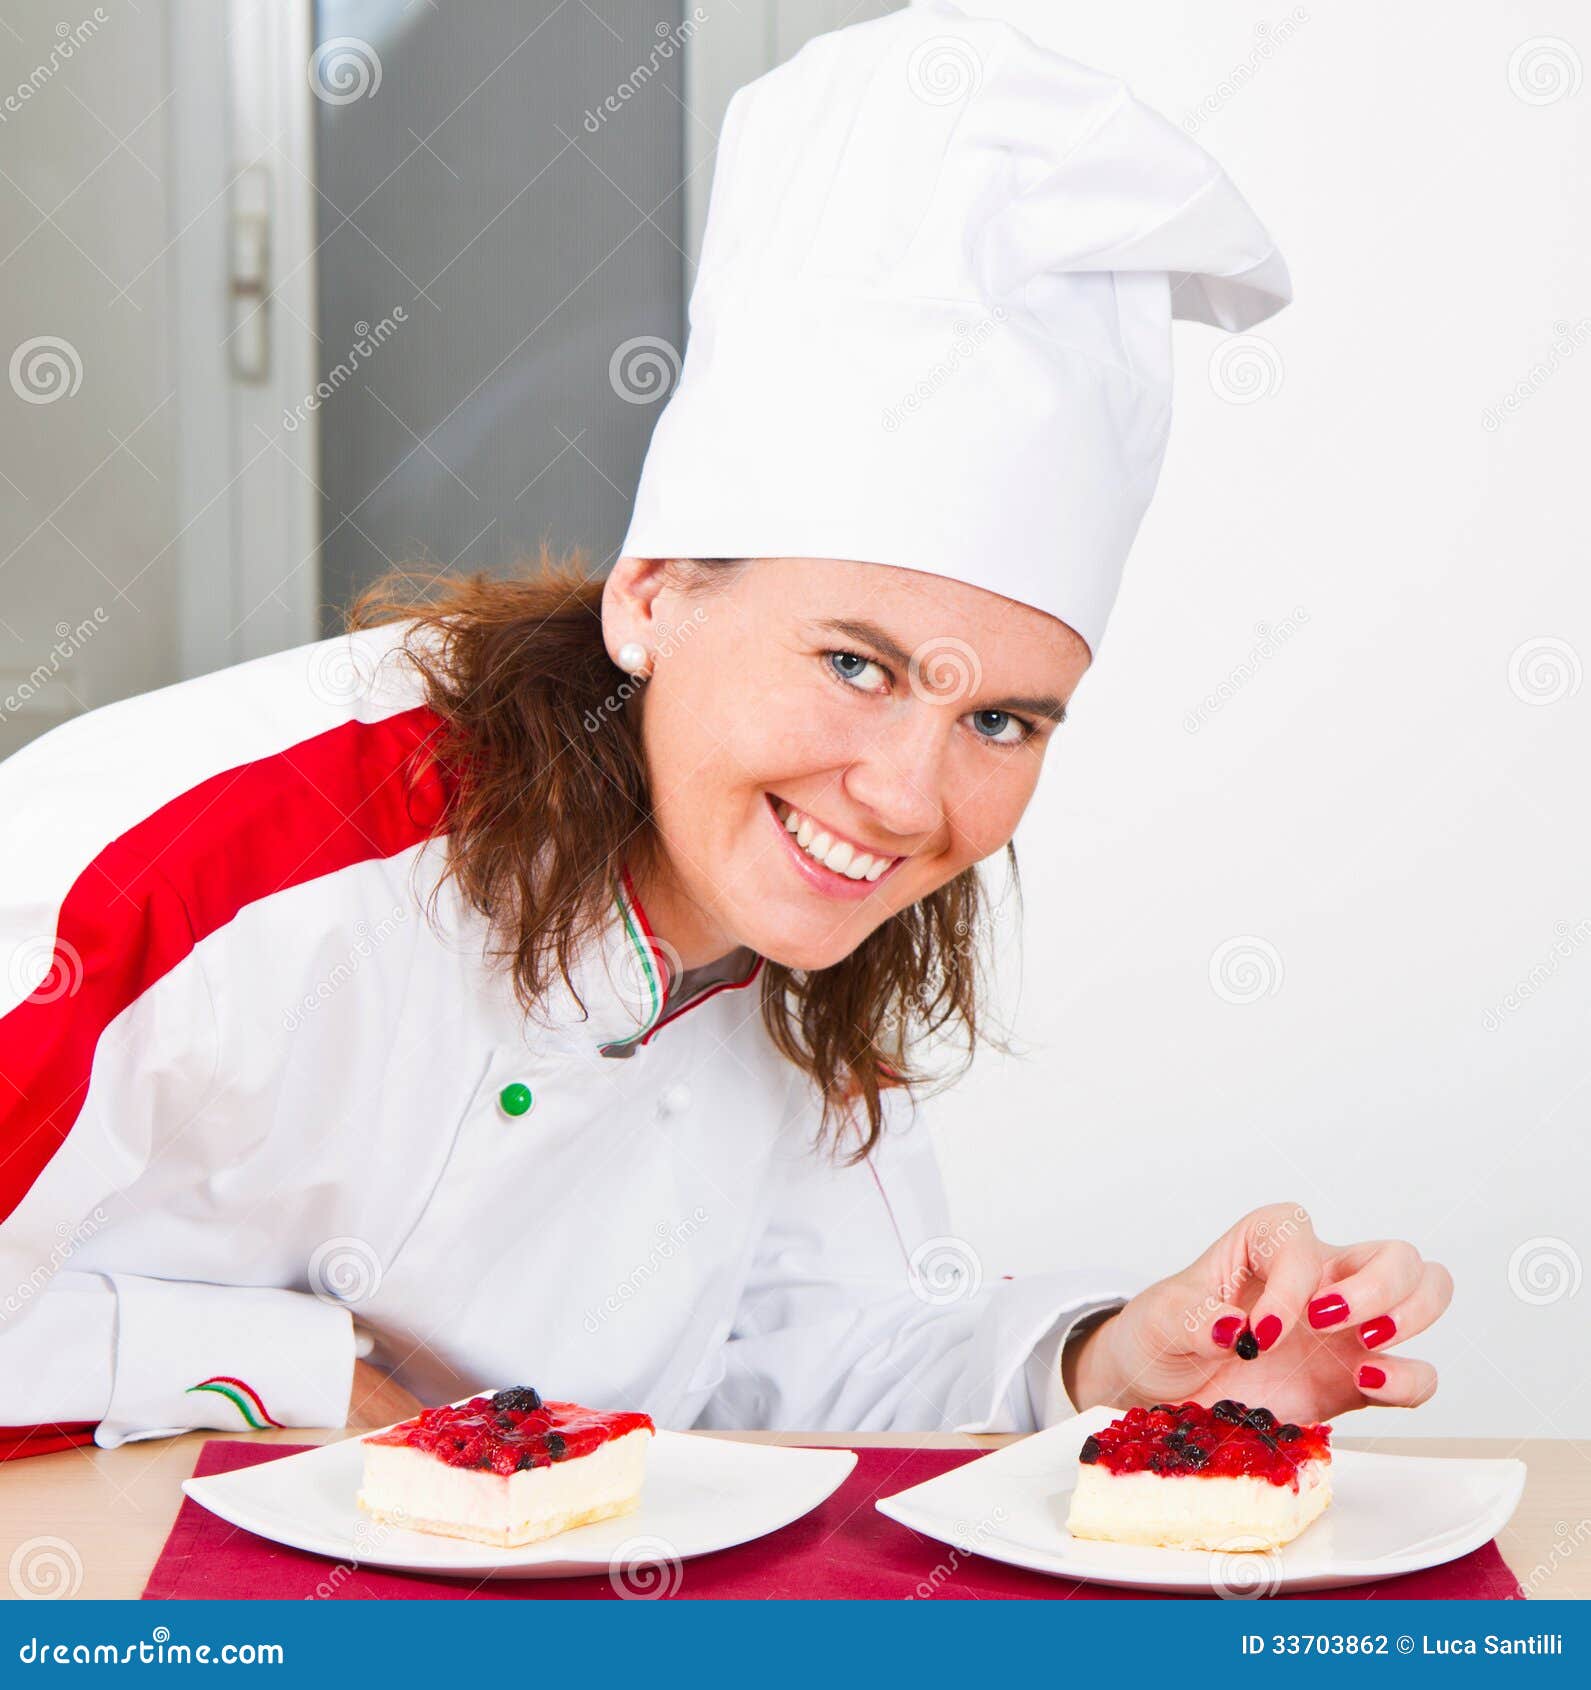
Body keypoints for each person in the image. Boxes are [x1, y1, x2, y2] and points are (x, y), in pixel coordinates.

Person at [0, 1, 1448, 1458]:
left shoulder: (795, 916)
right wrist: (296, 1373)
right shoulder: (195, 865)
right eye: (854, 663)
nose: (902, 795)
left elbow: (794, 1351)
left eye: (1000, 716)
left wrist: (1112, 1360)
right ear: (656, 595)